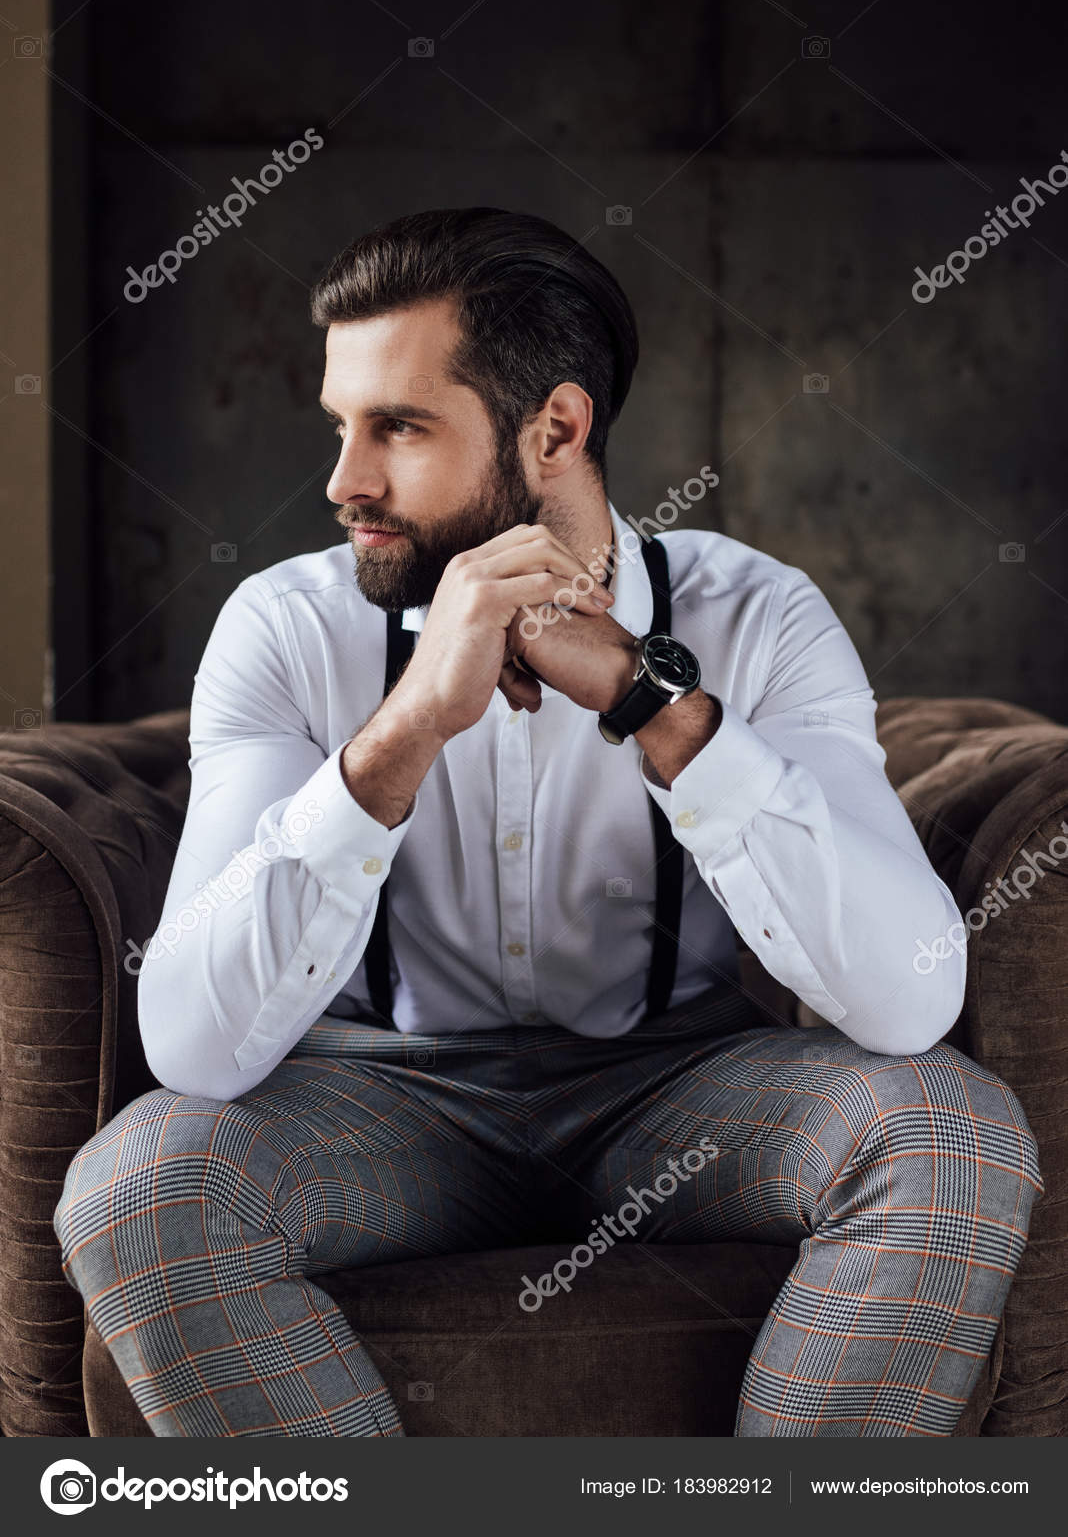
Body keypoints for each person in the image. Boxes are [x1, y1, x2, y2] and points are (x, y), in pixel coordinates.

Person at [54, 206, 1044, 1438]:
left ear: (557, 428)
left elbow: (907, 1001)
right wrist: (404, 728)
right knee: (137, 1189)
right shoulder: (288, 626)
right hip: (378, 1098)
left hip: (679, 1084)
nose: (343, 481)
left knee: (954, 1139)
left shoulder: (762, 616)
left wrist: (654, 707)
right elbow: (197, 1048)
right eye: (341, 425)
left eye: (399, 428)